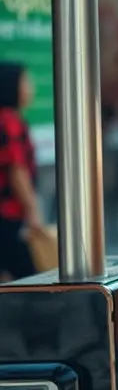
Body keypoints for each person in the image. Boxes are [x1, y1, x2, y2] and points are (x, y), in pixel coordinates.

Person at [0, 62, 44, 281]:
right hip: (8, 214)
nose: (30, 87)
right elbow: (17, 170)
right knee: (28, 278)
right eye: (25, 81)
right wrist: (33, 210)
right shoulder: (9, 122)